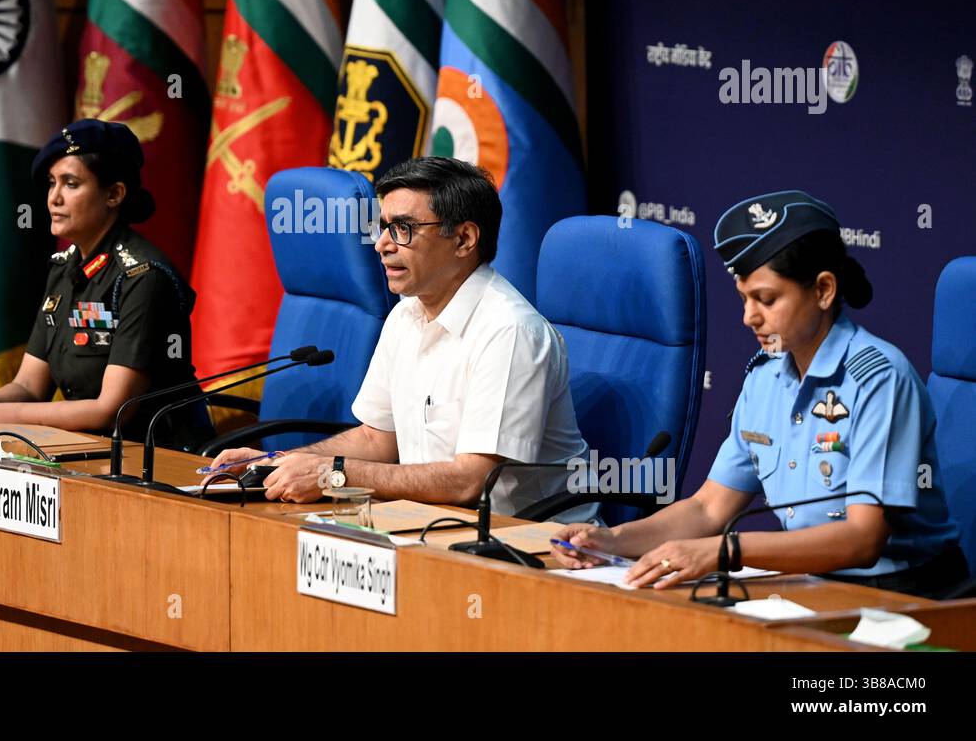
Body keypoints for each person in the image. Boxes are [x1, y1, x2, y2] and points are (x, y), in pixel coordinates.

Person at [552, 190, 965, 599]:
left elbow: (862, 539)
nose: (749, 317)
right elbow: (709, 508)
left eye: (766, 300)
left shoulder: (877, 378)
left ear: (823, 290)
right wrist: (609, 540)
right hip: (814, 586)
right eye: (744, 299)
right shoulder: (765, 376)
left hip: (906, 595)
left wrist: (727, 550)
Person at [209, 156, 596, 517]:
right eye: (383, 227)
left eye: (403, 229)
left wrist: (333, 474)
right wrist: (276, 462)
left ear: (464, 239)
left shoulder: (510, 331)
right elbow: (379, 440)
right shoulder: (405, 314)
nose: (382, 245)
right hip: (432, 526)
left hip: (527, 547)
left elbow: (470, 481)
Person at [0, 120, 213, 450]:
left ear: (114, 194)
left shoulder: (144, 277)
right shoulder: (64, 269)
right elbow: (30, 386)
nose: (54, 198)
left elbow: (110, 410)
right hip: (85, 448)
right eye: (51, 183)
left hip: (159, 458)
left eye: (71, 184)